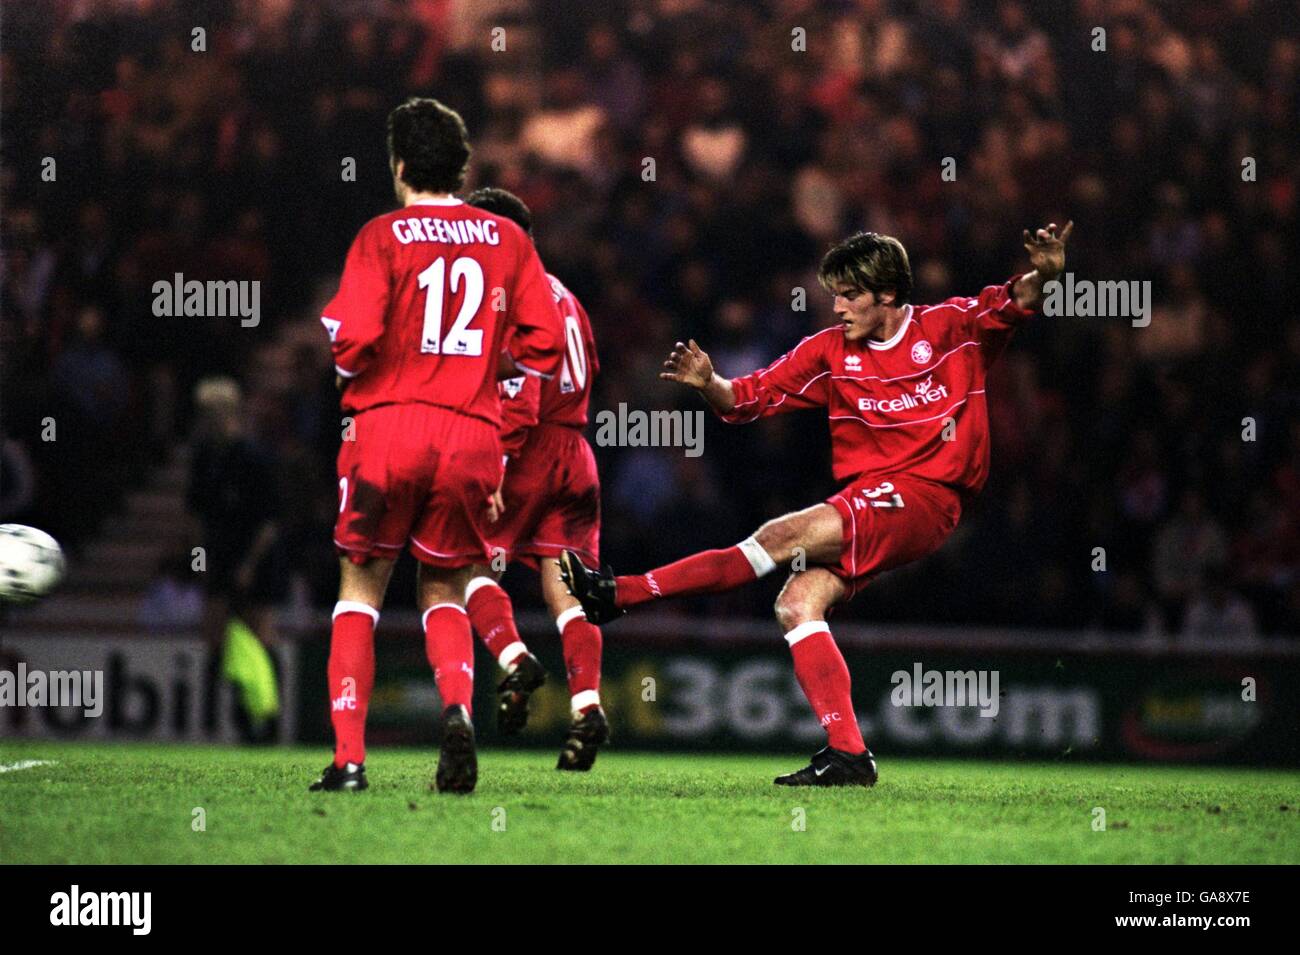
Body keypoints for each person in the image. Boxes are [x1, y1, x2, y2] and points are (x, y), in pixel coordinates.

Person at [562, 222, 1073, 787]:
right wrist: (709, 382)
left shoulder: (952, 327)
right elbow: (746, 400)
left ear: (887, 294)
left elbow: (1021, 297)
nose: (837, 306)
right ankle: (849, 752)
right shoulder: (829, 351)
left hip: (930, 495)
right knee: (797, 601)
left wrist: (1048, 271)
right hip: (870, 500)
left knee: (782, 535)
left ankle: (624, 593)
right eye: (834, 292)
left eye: (850, 294)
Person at [310, 98, 562, 794]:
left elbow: (354, 340)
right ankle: (456, 708)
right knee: (445, 585)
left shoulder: (381, 236)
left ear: (398, 164)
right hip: (473, 435)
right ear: (463, 166)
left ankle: (350, 761)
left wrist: (354, 360)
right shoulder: (509, 240)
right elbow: (541, 344)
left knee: (360, 590)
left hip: (388, 426)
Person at [457, 187, 609, 770]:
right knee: (568, 594)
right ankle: (587, 707)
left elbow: (519, 395)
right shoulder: (566, 294)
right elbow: (591, 368)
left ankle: (515, 658)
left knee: (463, 565)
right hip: (576, 451)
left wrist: (497, 464)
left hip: (525, 453)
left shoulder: (510, 298)